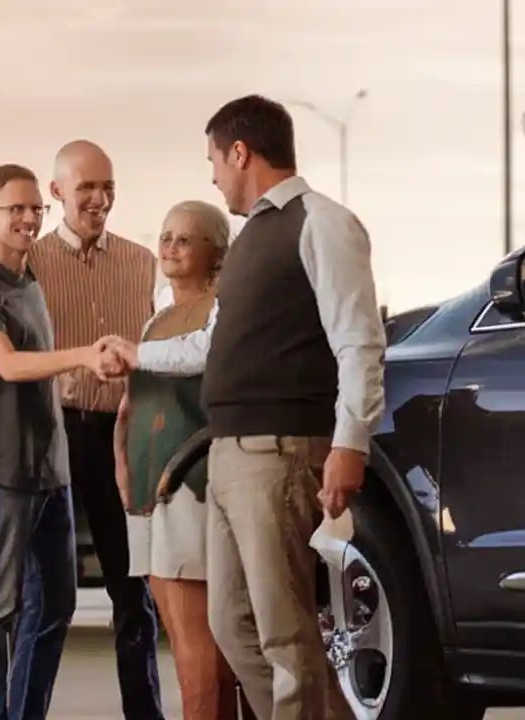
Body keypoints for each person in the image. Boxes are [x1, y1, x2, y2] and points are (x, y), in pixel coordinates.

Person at [105, 95, 387, 719]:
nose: (212, 175)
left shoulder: (322, 222)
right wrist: (136, 353)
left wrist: (350, 443)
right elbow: (212, 345)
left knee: (286, 634)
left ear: (241, 152)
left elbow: (360, 341)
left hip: (280, 453)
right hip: (229, 454)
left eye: (214, 159)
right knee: (235, 628)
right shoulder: (253, 236)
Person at [0, 163, 119, 720]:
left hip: (52, 473)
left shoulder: (29, 285)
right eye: (13, 209)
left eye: (33, 209)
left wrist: (74, 376)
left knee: (56, 608)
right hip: (3, 475)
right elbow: (9, 364)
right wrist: (82, 354)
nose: (26, 218)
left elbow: (39, 372)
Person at [27, 140, 163, 719]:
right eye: (86, 187)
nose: (100, 198)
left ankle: (145, 714)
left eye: (107, 186)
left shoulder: (141, 262)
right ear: (57, 191)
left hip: (121, 437)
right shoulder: (28, 263)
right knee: (44, 597)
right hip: (53, 433)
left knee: (132, 591)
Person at [111, 200, 239, 720]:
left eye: (185, 238)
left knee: (202, 644)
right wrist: (121, 459)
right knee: (180, 635)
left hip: (193, 484)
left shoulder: (221, 311)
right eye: (165, 236)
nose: (169, 245)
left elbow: (200, 361)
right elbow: (133, 402)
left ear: (217, 251)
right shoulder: (157, 317)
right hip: (146, 489)